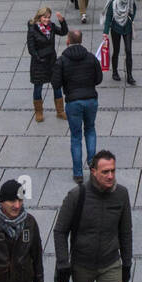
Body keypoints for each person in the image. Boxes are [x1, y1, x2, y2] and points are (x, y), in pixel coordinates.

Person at [52, 151, 133, 282]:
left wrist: (127, 263)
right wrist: (63, 263)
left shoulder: (121, 194)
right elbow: (60, 231)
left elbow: (125, 231)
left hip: (110, 263)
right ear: (93, 171)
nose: (110, 176)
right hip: (81, 265)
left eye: (113, 171)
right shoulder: (76, 196)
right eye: (105, 172)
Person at [52, 29, 103, 183]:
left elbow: (55, 84)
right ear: (81, 40)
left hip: (73, 101)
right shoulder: (90, 58)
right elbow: (99, 78)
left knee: (75, 137)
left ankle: (78, 173)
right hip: (90, 99)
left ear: (68, 41)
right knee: (90, 130)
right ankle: (93, 166)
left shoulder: (62, 60)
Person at [28, 6, 69, 122]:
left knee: (56, 86)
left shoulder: (51, 27)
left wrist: (62, 21)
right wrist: (39, 58)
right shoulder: (32, 29)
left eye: (48, 17)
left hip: (51, 62)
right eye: (44, 17)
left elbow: (63, 32)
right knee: (38, 88)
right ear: (39, 17)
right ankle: (39, 112)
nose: (47, 20)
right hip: (39, 64)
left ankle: (60, 111)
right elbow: (31, 48)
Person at [103, 0, 137, 85]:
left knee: (128, 50)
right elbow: (108, 16)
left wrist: (130, 19)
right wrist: (105, 32)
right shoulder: (114, 1)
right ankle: (115, 72)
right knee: (116, 50)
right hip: (116, 27)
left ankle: (130, 76)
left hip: (127, 27)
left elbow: (133, 10)